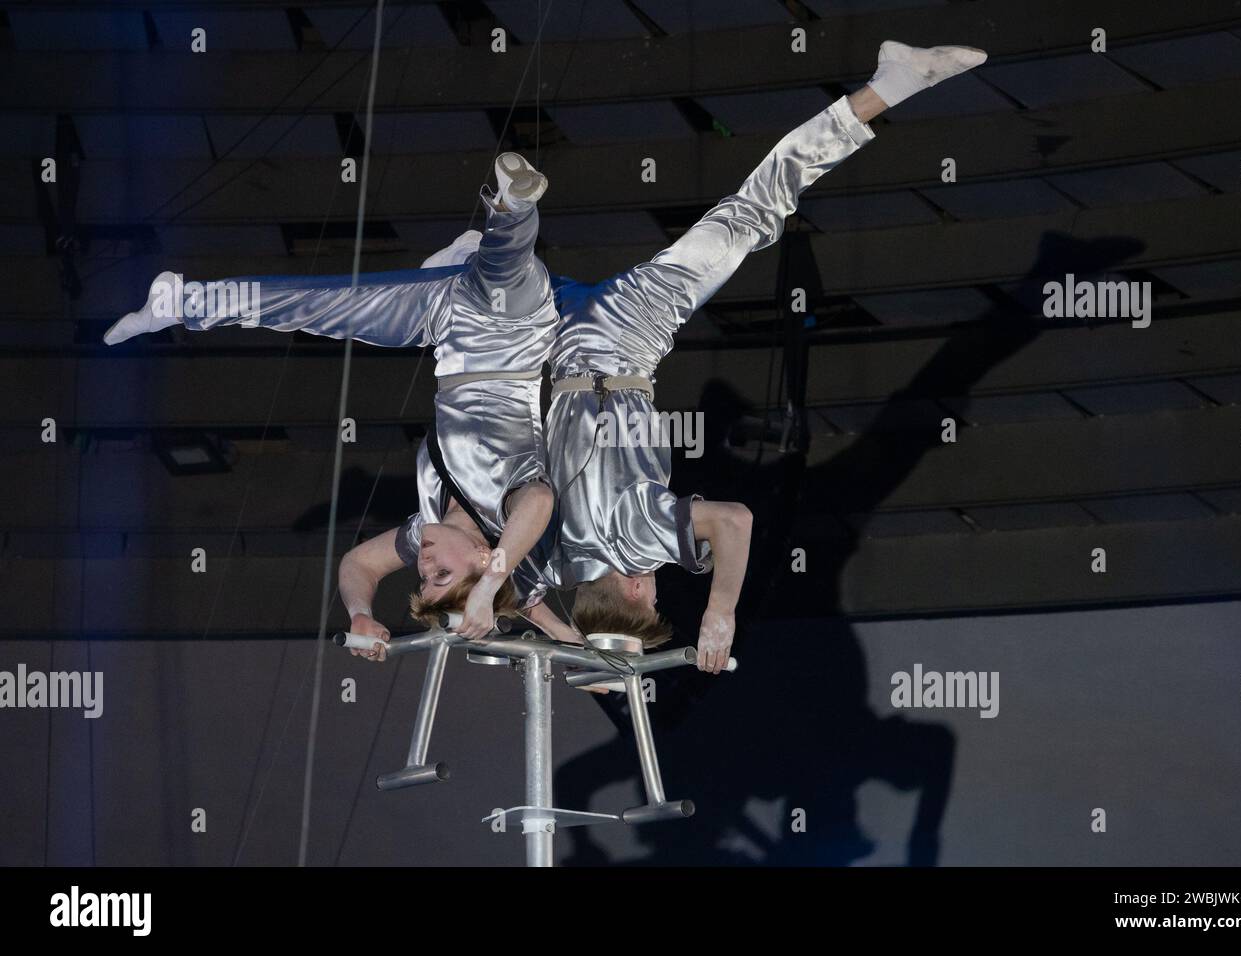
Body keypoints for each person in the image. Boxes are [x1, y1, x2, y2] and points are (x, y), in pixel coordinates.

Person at [526, 41, 988, 674]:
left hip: (629, 332)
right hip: (555, 346)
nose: (658, 580)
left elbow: (735, 521)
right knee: (461, 293)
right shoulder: (551, 555)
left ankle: (894, 85)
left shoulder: (635, 543)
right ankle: (480, 244)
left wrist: (722, 610)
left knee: (754, 212)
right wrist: (575, 645)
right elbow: (515, 600)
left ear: (634, 586)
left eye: (655, 589)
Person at [104, 154, 563, 651]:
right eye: (441, 574)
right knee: (505, 265)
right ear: (480, 556)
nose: (424, 566)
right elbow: (540, 502)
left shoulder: (422, 527)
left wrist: (361, 614)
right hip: (509, 330)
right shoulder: (509, 517)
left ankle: (182, 304)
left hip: (443, 332)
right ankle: (512, 206)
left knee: (324, 307)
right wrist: (497, 586)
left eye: (422, 577)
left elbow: (358, 564)